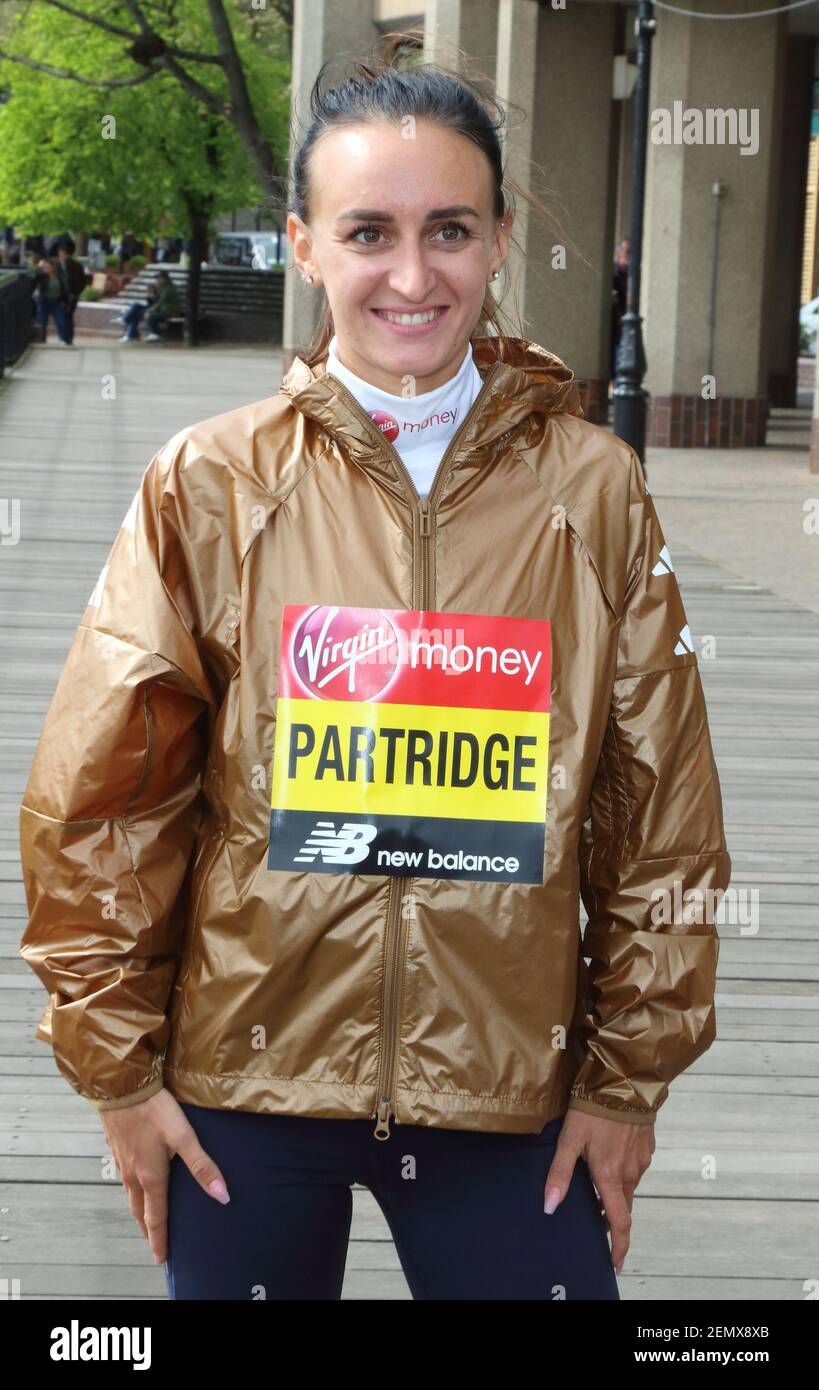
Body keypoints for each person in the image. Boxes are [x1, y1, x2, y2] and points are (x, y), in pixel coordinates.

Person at [18, 34, 731, 1301]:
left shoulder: (594, 488)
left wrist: (629, 1078)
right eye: (367, 233)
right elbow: (105, 800)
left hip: (511, 1082)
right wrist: (118, 1071)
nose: (412, 275)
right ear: (303, 245)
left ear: (502, 237)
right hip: (245, 1076)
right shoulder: (210, 480)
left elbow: (660, 813)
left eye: (449, 229)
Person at [117, 270, 182, 342]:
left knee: (145, 314)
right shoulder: (159, 287)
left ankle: (152, 334)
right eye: (156, 278)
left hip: (167, 311)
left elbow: (161, 302)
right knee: (136, 306)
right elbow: (152, 302)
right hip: (158, 309)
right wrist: (150, 295)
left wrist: (149, 310)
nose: (156, 280)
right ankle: (127, 323)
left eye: (158, 278)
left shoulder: (169, 288)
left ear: (164, 278)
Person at [33, 256, 71, 346]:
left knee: (60, 321)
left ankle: (62, 339)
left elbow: (64, 289)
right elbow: (33, 280)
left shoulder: (59, 277)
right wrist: (39, 269)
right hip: (44, 301)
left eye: (48, 267)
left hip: (56, 302)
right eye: (44, 267)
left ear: (53, 268)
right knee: (42, 321)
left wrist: (64, 301)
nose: (46, 269)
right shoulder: (41, 276)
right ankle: (41, 338)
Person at [56, 243, 87, 346]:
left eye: (62, 253)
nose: (61, 255)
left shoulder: (76, 266)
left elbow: (82, 281)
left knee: (68, 316)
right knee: (63, 316)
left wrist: (77, 292)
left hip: (72, 294)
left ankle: (67, 337)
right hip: (60, 295)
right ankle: (64, 338)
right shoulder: (56, 265)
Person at [611, 237, 630, 380]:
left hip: (627, 329)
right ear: (619, 254)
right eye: (628, 252)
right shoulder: (612, 274)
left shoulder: (635, 276)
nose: (630, 256)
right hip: (613, 329)